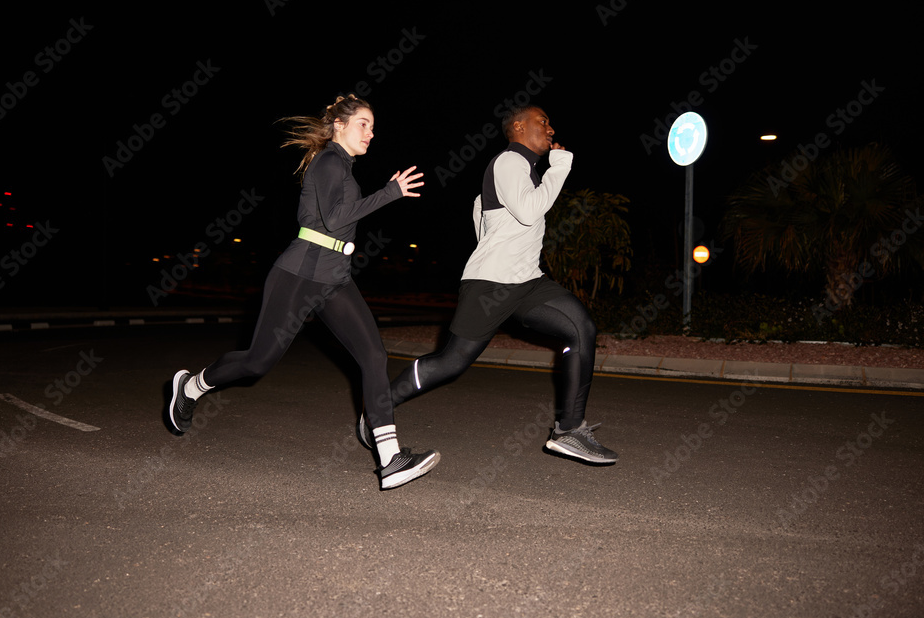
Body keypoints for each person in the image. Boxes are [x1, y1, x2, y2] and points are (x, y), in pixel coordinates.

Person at [168, 94, 440, 490]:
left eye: (373, 126)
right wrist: (389, 194)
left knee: (373, 354)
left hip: (334, 278)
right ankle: (191, 386)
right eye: (364, 123)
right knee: (258, 363)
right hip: (299, 275)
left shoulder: (343, 167)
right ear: (340, 126)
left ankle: (390, 457)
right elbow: (333, 219)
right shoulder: (330, 161)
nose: (371, 132)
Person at [359, 105, 618, 464]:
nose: (550, 127)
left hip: (527, 281)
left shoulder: (521, 171)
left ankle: (569, 430)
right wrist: (560, 167)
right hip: (491, 284)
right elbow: (529, 212)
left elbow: (485, 223)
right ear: (517, 126)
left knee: (581, 328)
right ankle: (378, 409)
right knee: (451, 363)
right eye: (542, 121)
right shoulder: (509, 161)